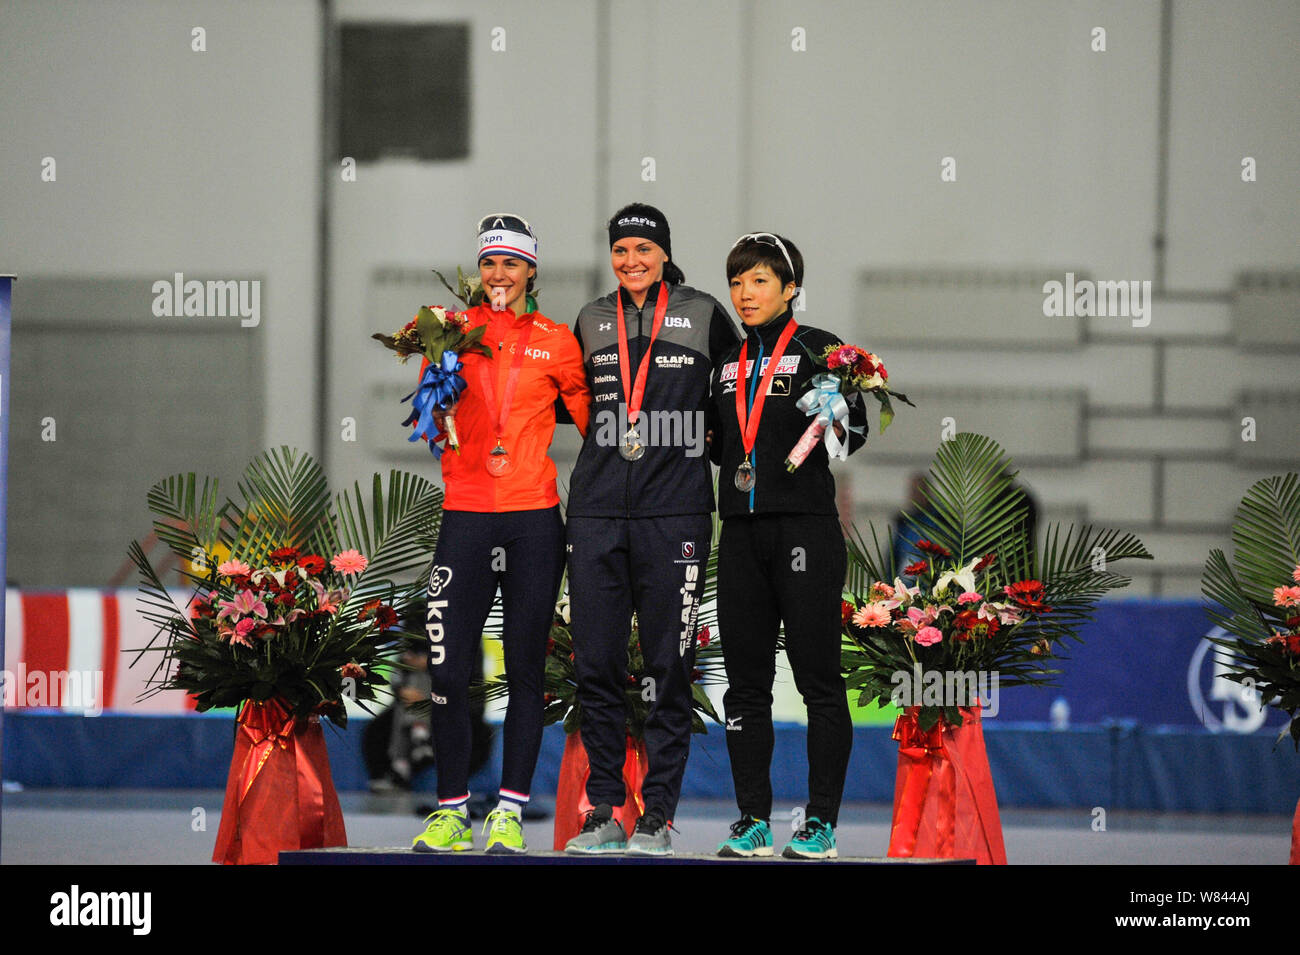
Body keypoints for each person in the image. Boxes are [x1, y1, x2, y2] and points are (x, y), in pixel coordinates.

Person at [411, 214, 591, 854]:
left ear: (531, 270)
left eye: (511, 264)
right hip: (464, 512)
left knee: (523, 671)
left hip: (532, 519)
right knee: (447, 670)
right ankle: (452, 809)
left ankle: (510, 811)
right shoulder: (451, 332)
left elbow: (595, 419)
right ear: (477, 270)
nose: (499, 275)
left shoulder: (559, 340)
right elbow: (432, 413)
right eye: (489, 263)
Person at [563, 203, 740, 856]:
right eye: (621, 250)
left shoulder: (704, 314)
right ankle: (605, 809)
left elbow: (738, 394)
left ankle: (657, 817)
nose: (632, 260)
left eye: (644, 249)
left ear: (664, 253)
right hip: (597, 512)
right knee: (598, 666)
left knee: (670, 667)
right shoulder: (589, 319)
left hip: (676, 515)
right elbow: (561, 398)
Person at [708, 232, 868, 860]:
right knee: (745, 685)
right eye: (738, 282)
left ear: (791, 287)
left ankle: (821, 822)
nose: (745, 294)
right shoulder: (724, 357)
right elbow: (717, 442)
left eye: (760, 282)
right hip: (740, 534)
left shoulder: (819, 350)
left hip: (804, 531)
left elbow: (850, 438)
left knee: (818, 680)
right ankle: (752, 818)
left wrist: (841, 413)